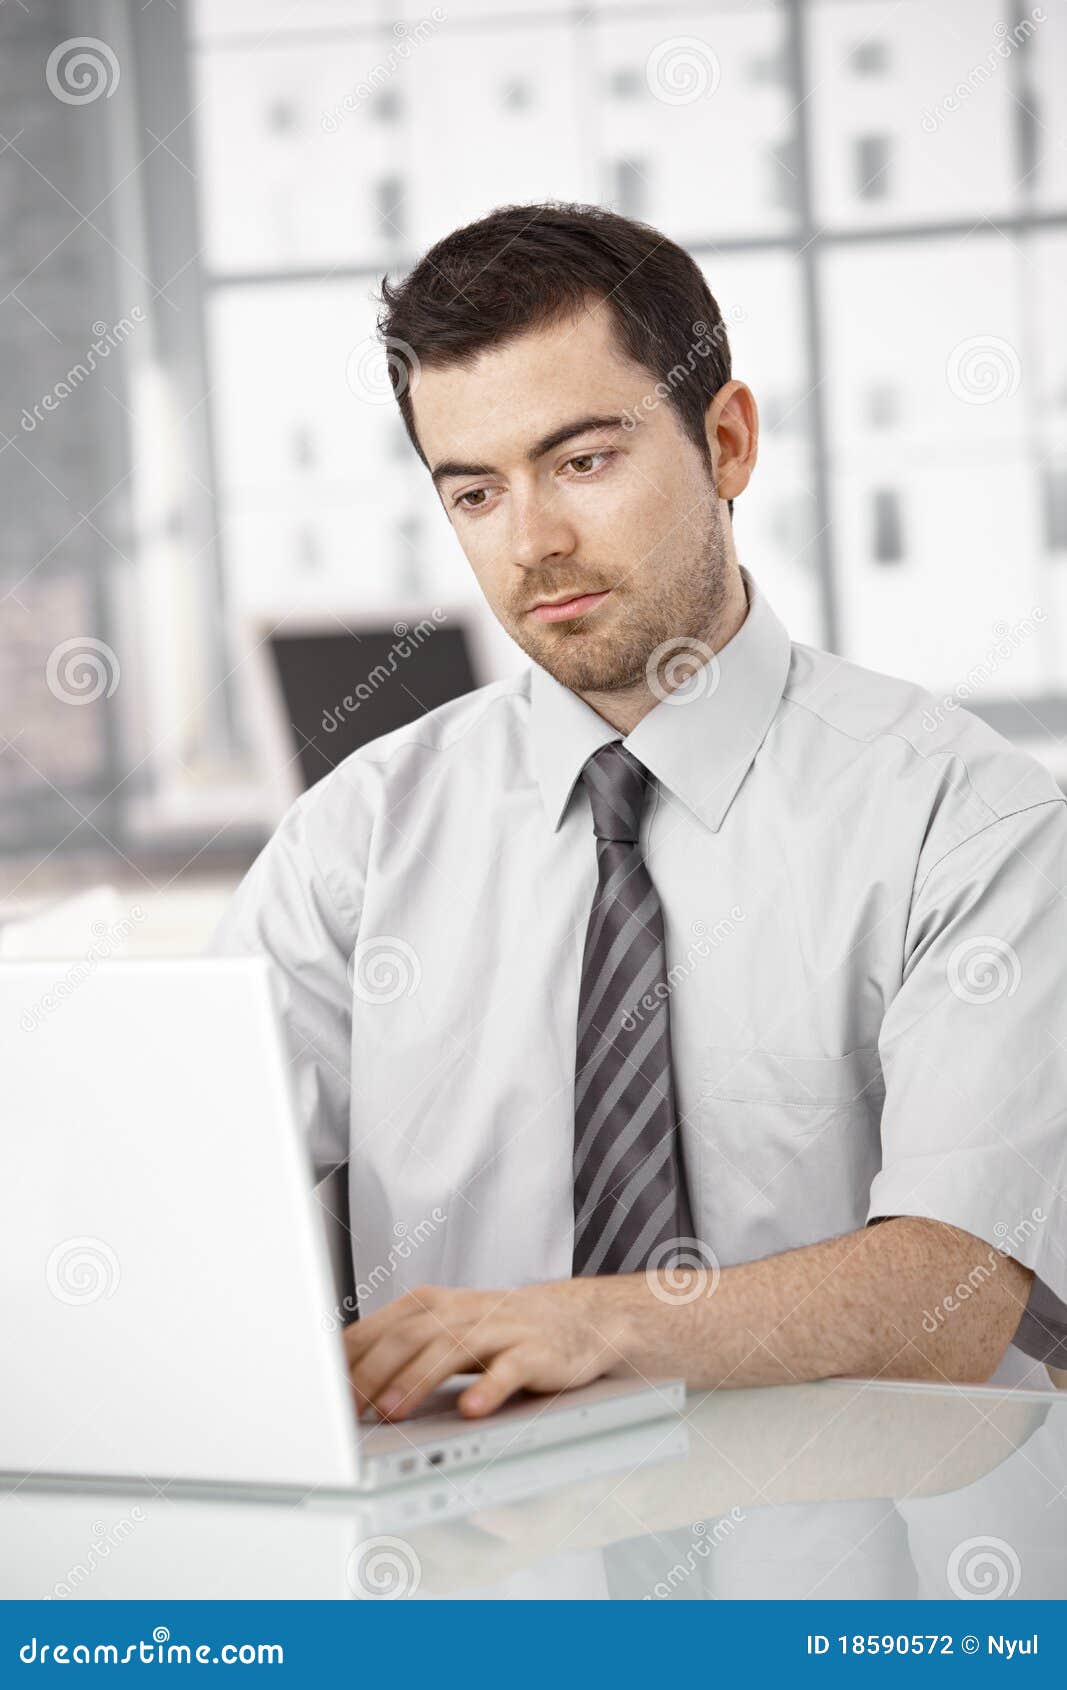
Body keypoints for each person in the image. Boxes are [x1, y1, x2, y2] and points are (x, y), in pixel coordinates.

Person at [210, 202, 1067, 1422]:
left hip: (842, 1580)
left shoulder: (965, 817)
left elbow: (956, 1290)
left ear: (724, 442)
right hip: (481, 1582)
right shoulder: (353, 843)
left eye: (583, 462)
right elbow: (188, 1207)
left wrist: (589, 1322)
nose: (534, 542)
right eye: (474, 492)